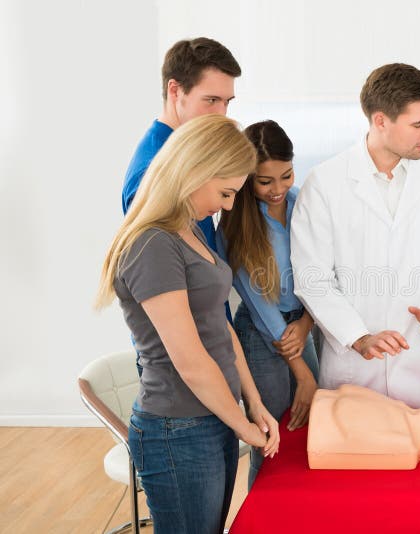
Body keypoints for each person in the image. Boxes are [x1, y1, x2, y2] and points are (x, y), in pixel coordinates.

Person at [96, 115, 280, 534]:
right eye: (225, 192)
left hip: (213, 416)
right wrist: (243, 426)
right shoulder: (152, 244)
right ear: (194, 171)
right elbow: (190, 359)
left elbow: (219, 326)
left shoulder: (188, 233)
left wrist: (253, 402)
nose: (228, 205)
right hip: (178, 429)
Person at [290, 63, 420, 409]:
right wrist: (357, 337)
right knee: (359, 458)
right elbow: (312, 276)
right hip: (355, 371)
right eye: (418, 124)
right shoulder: (325, 183)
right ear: (380, 121)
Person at [217, 120, 320, 489]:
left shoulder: (302, 205)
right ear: (247, 177)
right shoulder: (235, 224)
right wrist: (303, 371)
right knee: (271, 439)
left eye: (286, 176)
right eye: (265, 182)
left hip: (303, 324)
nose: (278, 189)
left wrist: (307, 323)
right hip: (262, 336)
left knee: (309, 429)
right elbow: (262, 309)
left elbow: (323, 272)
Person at [121, 37, 241, 250]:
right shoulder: (152, 172)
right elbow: (160, 270)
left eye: (227, 102)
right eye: (211, 100)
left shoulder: (188, 154)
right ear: (175, 90)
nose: (222, 114)